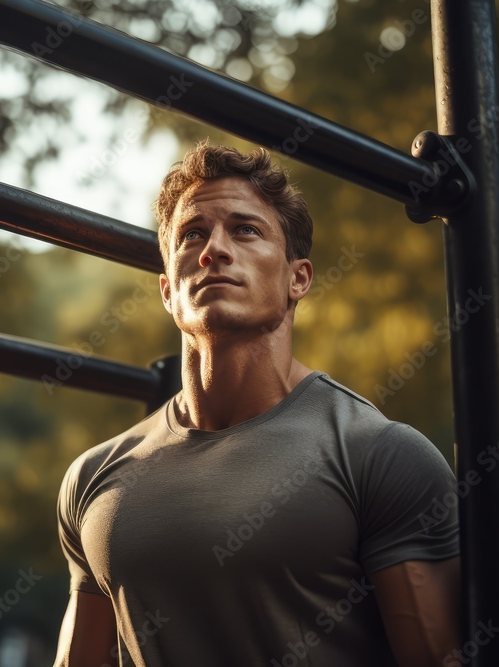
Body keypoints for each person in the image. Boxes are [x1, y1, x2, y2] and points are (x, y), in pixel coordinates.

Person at [54, 142, 461, 666]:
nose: (213, 250)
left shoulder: (380, 456)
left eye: (245, 230)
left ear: (299, 278)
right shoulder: (92, 476)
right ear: (166, 291)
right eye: (192, 234)